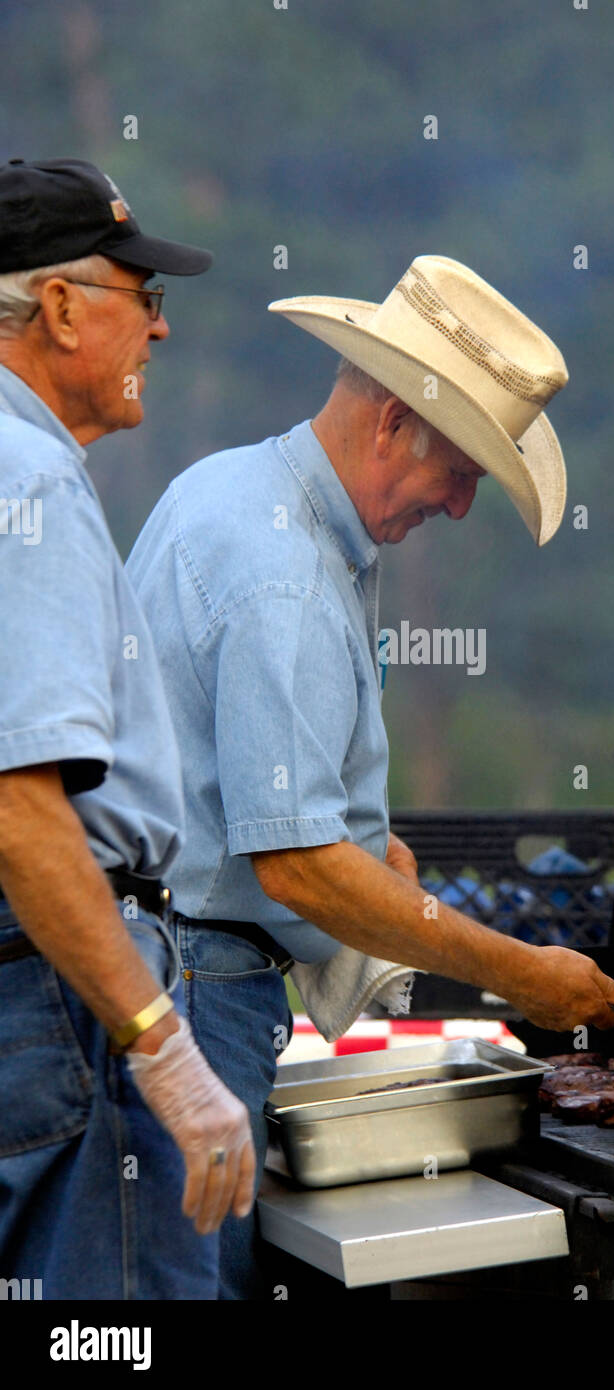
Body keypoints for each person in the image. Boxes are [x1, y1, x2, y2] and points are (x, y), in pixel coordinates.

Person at [127, 254, 614, 1299]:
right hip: (188, 978)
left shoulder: (234, 486)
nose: (458, 508)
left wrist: (371, 853)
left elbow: (265, 801)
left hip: (167, 967)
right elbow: (299, 868)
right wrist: (524, 973)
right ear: (395, 421)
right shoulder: (286, 572)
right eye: (462, 472)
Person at [0, 158, 254, 1300]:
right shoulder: (30, 483)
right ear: (57, 306)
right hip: (64, 998)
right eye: (141, 297)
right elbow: (18, 808)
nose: (160, 330)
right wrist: (160, 1039)